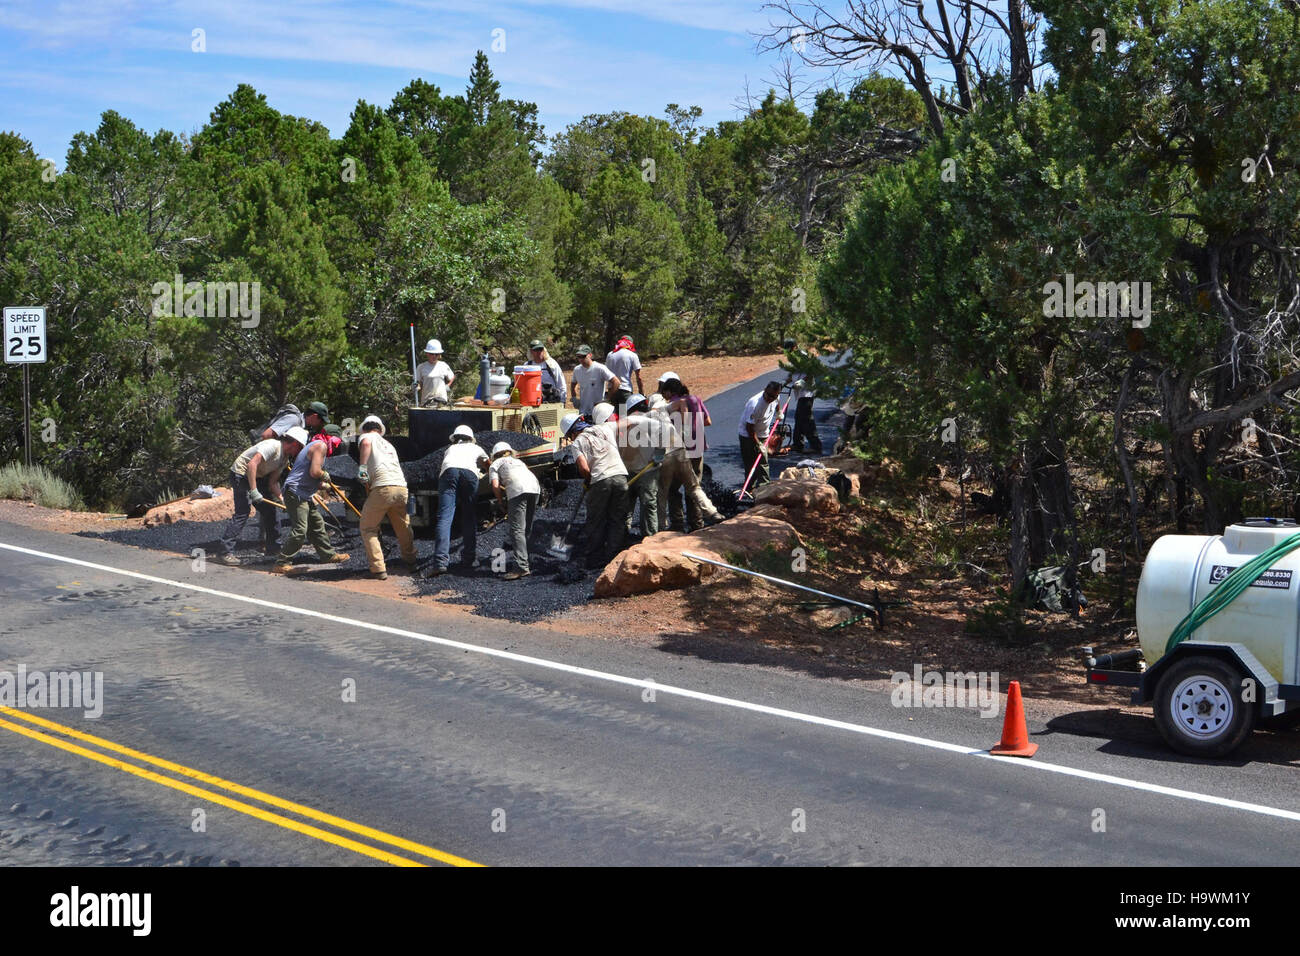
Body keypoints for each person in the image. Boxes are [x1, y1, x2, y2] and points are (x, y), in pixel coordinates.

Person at [272, 425, 351, 572]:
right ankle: (281, 562)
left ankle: (327, 555)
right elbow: (315, 472)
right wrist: (324, 475)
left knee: (317, 524)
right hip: (295, 493)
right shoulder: (320, 446)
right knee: (300, 529)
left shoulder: (314, 446)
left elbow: (308, 475)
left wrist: (326, 486)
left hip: (302, 493)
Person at [218, 430, 301, 565]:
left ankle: (273, 547)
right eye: (300, 447)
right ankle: (224, 552)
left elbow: (273, 483)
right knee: (243, 512)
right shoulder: (273, 446)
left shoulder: (284, 459)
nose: (300, 451)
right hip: (240, 474)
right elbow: (252, 464)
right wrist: (254, 490)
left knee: (270, 510)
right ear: (295, 444)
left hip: (257, 477)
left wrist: (283, 500)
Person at [561, 412, 628, 569]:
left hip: (600, 480)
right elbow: (627, 424)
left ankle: (595, 558)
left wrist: (588, 479)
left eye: (569, 436)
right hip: (620, 476)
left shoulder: (578, 443)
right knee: (617, 519)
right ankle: (615, 556)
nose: (570, 439)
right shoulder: (604, 428)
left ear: (572, 432)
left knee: (595, 521)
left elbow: (584, 468)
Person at [650, 393, 724, 532]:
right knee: (694, 487)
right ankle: (713, 512)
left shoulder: (650, 414)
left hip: (666, 455)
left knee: (662, 494)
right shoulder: (666, 408)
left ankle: (660, 527)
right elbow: (683, 401)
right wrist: (685, 423)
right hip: (680, 451)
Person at [356, 415, 418, 580]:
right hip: (401, 488)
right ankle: (411, 561)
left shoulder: (367, 437)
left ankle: (378, 568)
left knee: (368, 527)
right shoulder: (388, 445)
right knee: (403, 526)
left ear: (365, 428)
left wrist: (362, 468)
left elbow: (366, 444)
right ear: (379, 428)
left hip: (383, 488)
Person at [427, 424, 489, 576]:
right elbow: (488, 464)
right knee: (469, 516)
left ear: (455, 438)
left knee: (445, 518)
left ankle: (440, 562)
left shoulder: (450, 449)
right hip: (469, 475)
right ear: (470, 438)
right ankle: (469, 558)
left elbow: (449, 464)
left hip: (448, 474)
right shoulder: (476, 448)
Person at [488, 442, 541, 580]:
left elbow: (495, 485)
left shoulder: (495, 464)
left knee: (517, 530)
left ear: (495, 455)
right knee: (526, 528)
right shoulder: (518, 462)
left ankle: (521, 567)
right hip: (535, 488)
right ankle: (527, 560)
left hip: (518, 490)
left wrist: (500, 501)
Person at [616, 394, 661, 537]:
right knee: (630, 505)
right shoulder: (626, 424)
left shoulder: (649, 422)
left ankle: (649, 539)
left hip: (647, 472)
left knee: (647, 504)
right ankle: (623, 535)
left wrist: (659, 455)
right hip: (629, 471)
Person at [738, 381, 783, 490]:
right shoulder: (755, 404)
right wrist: (759, 444)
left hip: (763, 433)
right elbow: (749, 428)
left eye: (773, 396)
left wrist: (778, 412)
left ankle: (764, 488)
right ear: (765, 390)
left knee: (763, 462)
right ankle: (749, 489)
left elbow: (777, 402)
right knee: (750, 464)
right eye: (768, 395)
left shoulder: (776, 397)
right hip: (747, 436)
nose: (770, 398)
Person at [571, 345, 617, 418]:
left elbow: (616, 381)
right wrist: (574, 398)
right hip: (583, 412)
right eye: (578, 357)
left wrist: (607, 399)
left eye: (583, 356)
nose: (581, 359)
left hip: (599, 412)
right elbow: (573, 383)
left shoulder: (599, 368)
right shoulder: (577, 370)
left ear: (590, 355)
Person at [251, 401, 328, 444]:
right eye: (321, 421)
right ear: (314, 416)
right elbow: (266, 435)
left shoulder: (300, 425)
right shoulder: (293, 420)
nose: (321, 424)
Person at [604, 336, 644, 408]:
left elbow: (605, 373)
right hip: (624, 391)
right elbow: (639, 377)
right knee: (623, 416)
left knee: (613, 415)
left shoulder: (610, 354)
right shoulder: (632, 355)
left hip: (611, 391)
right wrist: (641, 393)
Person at [789, 376, 823, 454]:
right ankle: (798, 444)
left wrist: (801, 382)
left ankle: (816, 446)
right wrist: (785, 382)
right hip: (801, 395)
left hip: (807, 394)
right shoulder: (795, 364)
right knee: (798, 418)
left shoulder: (807, 364)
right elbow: (793, 373)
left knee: (807, 420)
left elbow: (809, 373)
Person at [416, 339, 455, 406]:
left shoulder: (443, 365)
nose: (434, 356)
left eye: (436, 354)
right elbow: (417, 382)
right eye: (431, 354)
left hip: (441, 402)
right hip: (426, 402)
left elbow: (452, 376)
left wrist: (448, 385)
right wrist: (416, 387)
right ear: (427, 353)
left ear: (439, 354)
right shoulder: (421, 367)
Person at [529, 340, 567, 405]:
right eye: (536, 350)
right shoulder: (527, 366)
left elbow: (561, 384)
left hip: (551, 402)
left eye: (540, 349)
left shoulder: (551, 364)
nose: (539, 352)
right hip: (532, 402)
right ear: (531, 351)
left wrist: (562, 401)